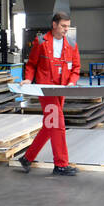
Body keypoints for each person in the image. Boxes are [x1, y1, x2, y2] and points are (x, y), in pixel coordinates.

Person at [17, 11, 80, 176]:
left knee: (50, 124)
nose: (66, 29)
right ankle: (60, 164)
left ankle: (27, 158)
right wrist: (28, 80)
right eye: (63, 26)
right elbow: (31, 64)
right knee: (58, 123)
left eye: (68, 26)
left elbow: (76, 68)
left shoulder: (72, 44)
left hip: (62, 89)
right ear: (54, 25)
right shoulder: (41, 42)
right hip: (46, 89)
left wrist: (72, 82)